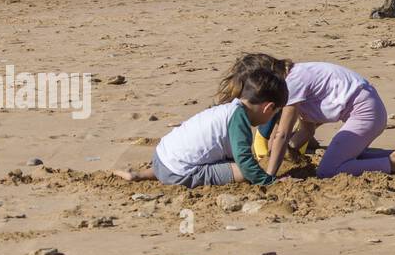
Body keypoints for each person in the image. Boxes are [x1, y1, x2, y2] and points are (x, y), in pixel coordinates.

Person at [218, 54, 395, 178]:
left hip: (365, 112)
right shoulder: (298, 78)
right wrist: (291, 152)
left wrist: (270, 175)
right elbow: (307, 129)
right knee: (343, 157)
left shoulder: (292, 82)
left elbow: (281, 134)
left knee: (328, 170)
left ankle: (393, 163)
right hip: (369, 109)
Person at [115, 69, 287, 187]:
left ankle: (139, 176)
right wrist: (268, 182)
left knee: (202, 157)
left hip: (161, 158)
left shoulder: (228, 109)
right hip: (178, 173)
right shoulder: (239, 120)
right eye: (275, 113)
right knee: (243, 172)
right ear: (268, 108)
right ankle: (159, 177)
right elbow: (244, 160)